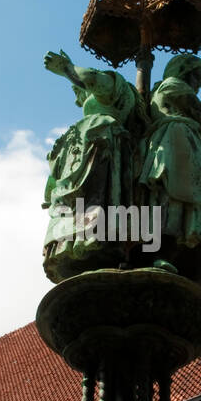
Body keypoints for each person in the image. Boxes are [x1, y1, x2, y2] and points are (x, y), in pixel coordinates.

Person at [134, 53, 201, 287]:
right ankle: (166, 254)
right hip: (178, 144)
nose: (196, 86)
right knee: (178, 198)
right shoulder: (172, 86)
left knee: (188, 202)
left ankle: (183, 256)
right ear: (182, 72)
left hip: (187, 146)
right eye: (195, 78)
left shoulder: (165, 92)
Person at [40, 50, 143, 282]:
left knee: (95, 198)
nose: (78, 100)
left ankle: (97, 241)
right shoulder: (91, 120)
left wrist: (67, 68)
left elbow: (95, 81)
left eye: (79, 94)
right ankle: (78, 242)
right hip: (87, 155)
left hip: (102, 147)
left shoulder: (117, 90)